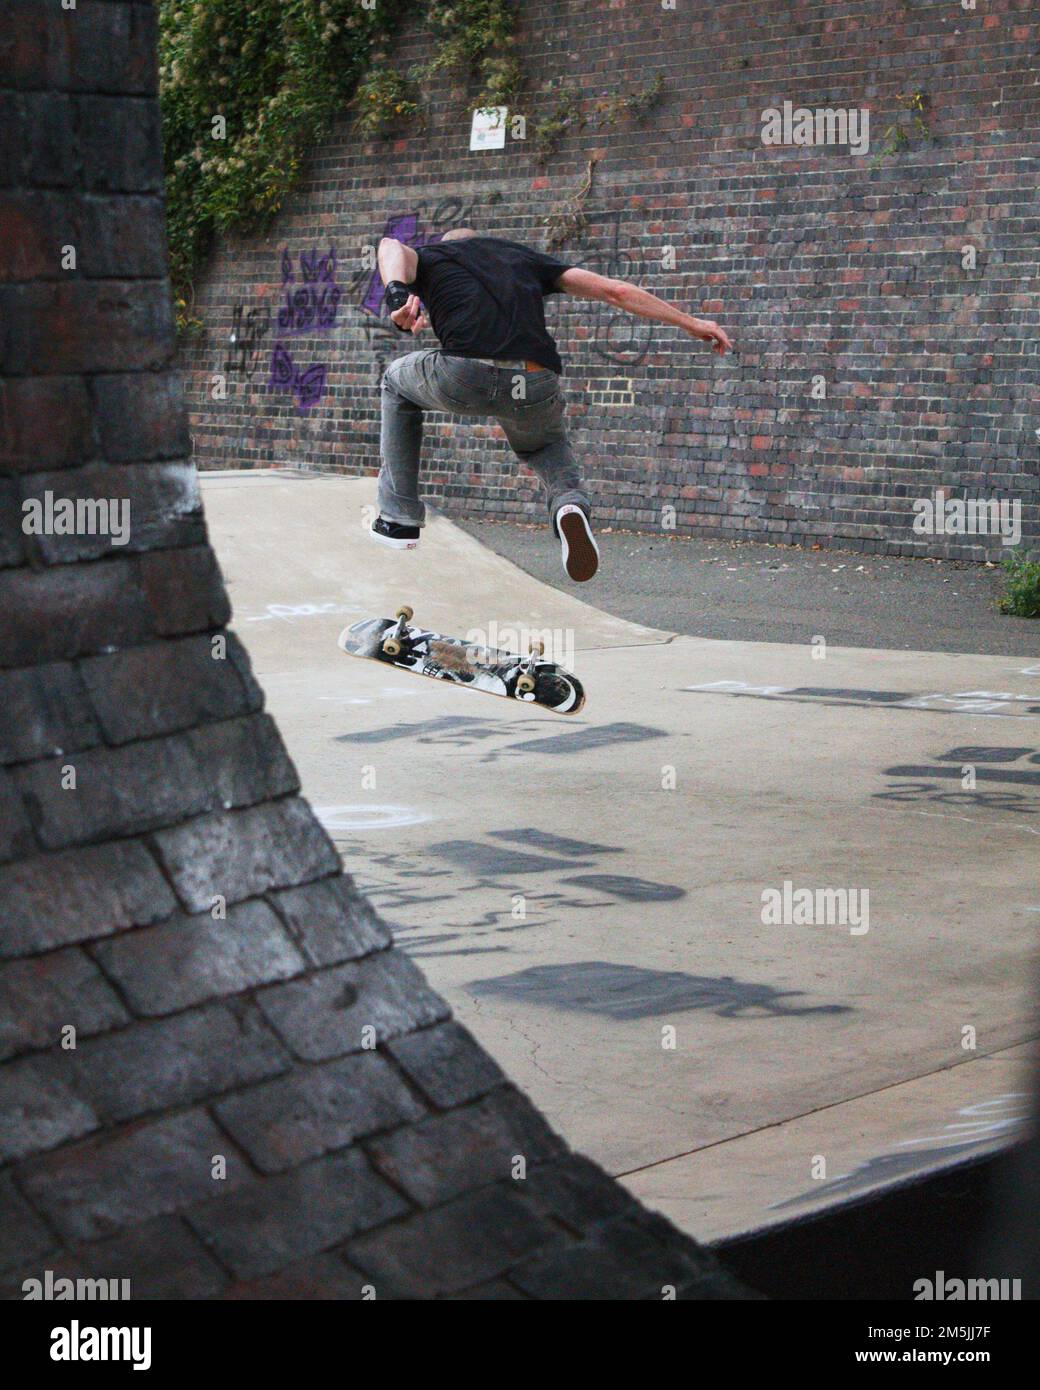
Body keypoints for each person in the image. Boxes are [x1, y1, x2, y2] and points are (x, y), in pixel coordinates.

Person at [373, 228, 733, 582]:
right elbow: (616, 291)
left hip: (466, 374)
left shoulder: (438, 256)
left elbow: (391, 247)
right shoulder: (523, 259)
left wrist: (396, 296)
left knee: (395, 381)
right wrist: (692, 322)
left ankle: (398, 517)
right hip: (534, 379)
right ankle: (568, 506)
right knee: (546, 447)